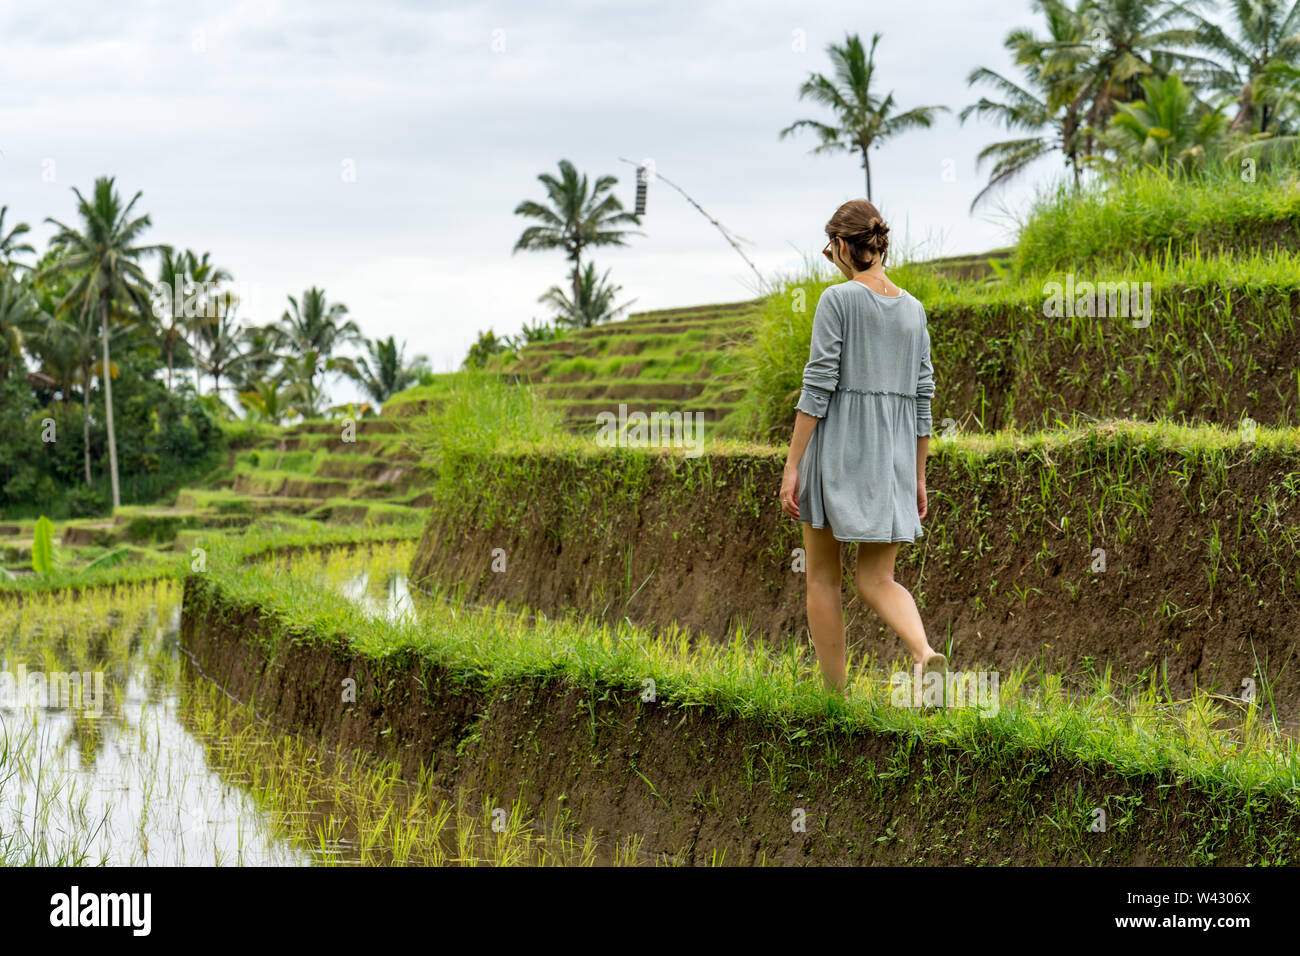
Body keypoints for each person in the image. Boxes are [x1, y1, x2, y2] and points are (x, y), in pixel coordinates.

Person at [778, 199, 947, 697]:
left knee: (823, 579)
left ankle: (836, 697)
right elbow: (923, 403)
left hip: (838, 453)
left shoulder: (838, 300)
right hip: (893, 458)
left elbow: (818, 387)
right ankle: (922, 652)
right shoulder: (913, 310)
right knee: (876, 580)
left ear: (840, 247)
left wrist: (793, 466)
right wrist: (917, 477)